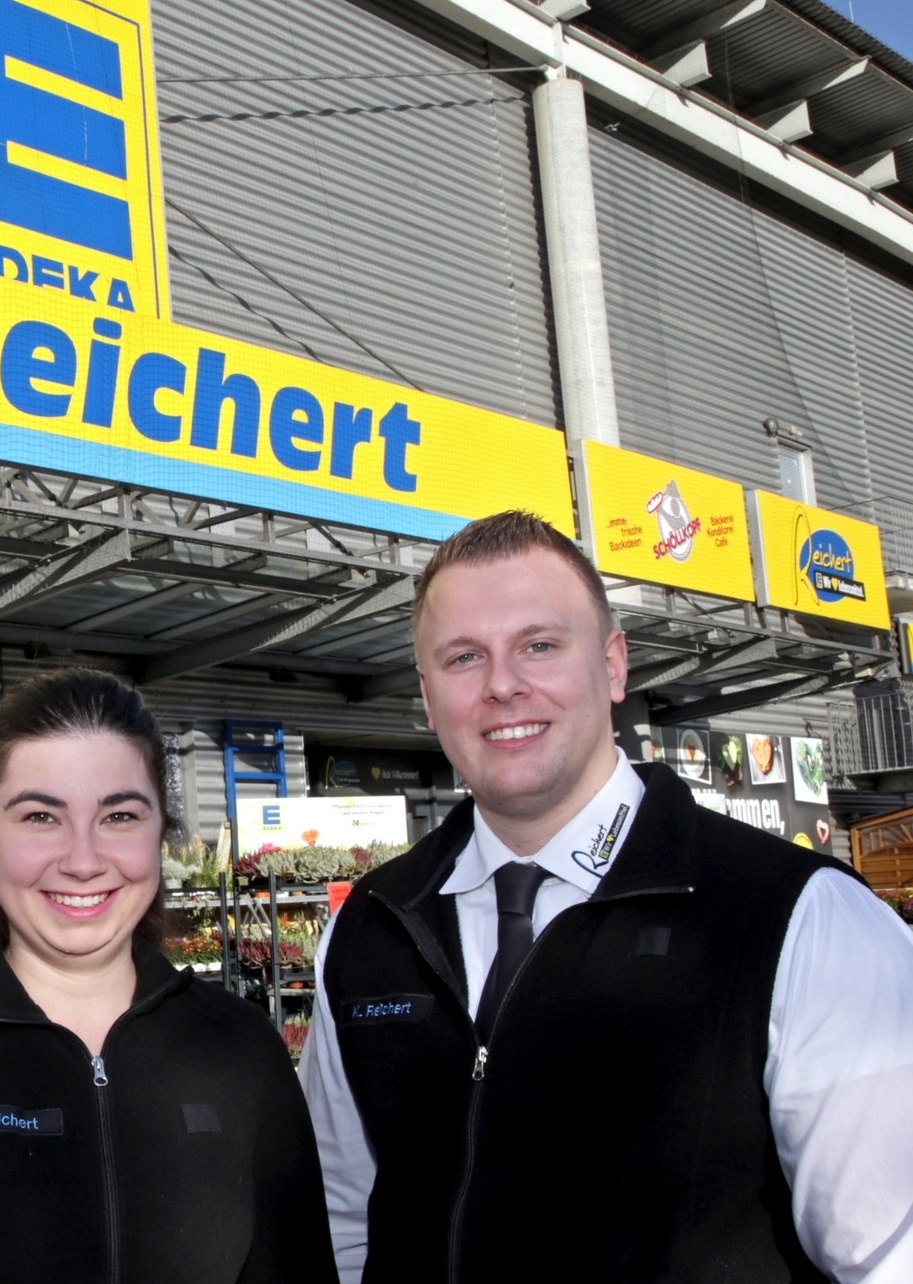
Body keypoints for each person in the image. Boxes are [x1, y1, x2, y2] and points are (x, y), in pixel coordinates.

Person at [300, 511, 913, 1284]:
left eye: (539, 645)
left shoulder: (801, 918)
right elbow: (343, 1220)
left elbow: (888, 1256)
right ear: (427, 696)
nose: (502, 684)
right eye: (464, 656)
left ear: (615, 665)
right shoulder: (369, 930)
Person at [0, 668, 337, 1284]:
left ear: (161, 837)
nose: (82, 861)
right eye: (41, 817)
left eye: (119, 816)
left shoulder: (243, 1053)